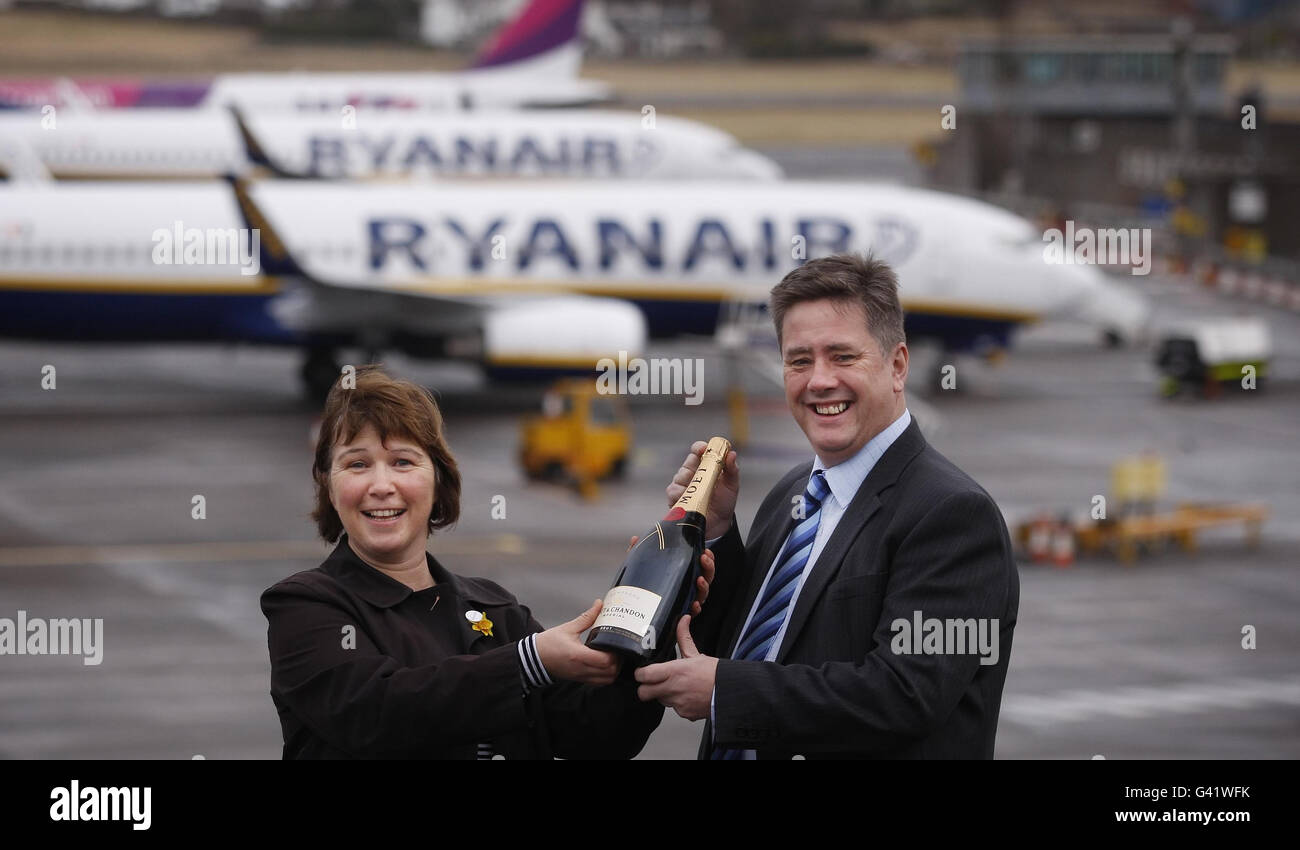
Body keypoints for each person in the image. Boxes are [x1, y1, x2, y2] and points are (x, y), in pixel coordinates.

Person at [634, 253, 1020, 759]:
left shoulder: (954, 516)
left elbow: (905, 695)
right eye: (799, 360)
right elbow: (748, 641)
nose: (818, 380)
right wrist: (714, 533)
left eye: (842, 356)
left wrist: (725, 692)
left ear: (897, 365)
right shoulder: (793, 493)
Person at [261, 366, 704, 759]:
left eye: (403, 461)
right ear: (328, 485)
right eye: (357, 464)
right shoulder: (303, 607)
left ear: (438, 480)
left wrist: (653, 618)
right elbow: (376, 714)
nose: (382, 484)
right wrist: (528, 662)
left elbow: (593, 736)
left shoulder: (494, 609)